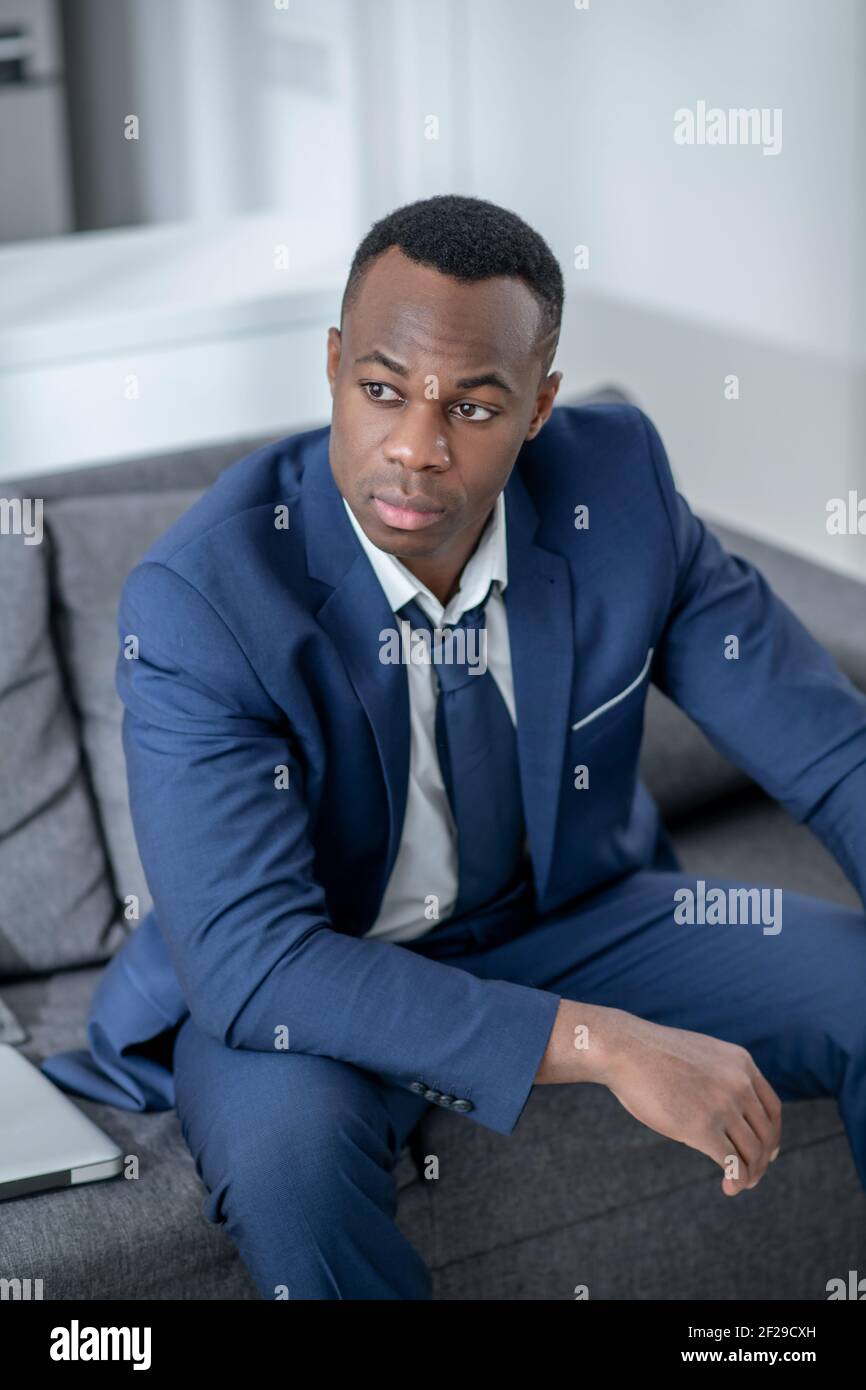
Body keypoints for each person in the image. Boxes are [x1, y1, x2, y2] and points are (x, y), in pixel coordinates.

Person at [44, 195, 866, 1300]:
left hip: (563, 915)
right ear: (333, 364)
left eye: (473, 407)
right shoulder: (206, 598)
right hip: (317, 974)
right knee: (291, 1169)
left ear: (539, 409)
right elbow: (255, 962)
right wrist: (604, 1045)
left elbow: (828, 751)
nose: (415, 450)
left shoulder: (613, 490)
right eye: (380, 390)